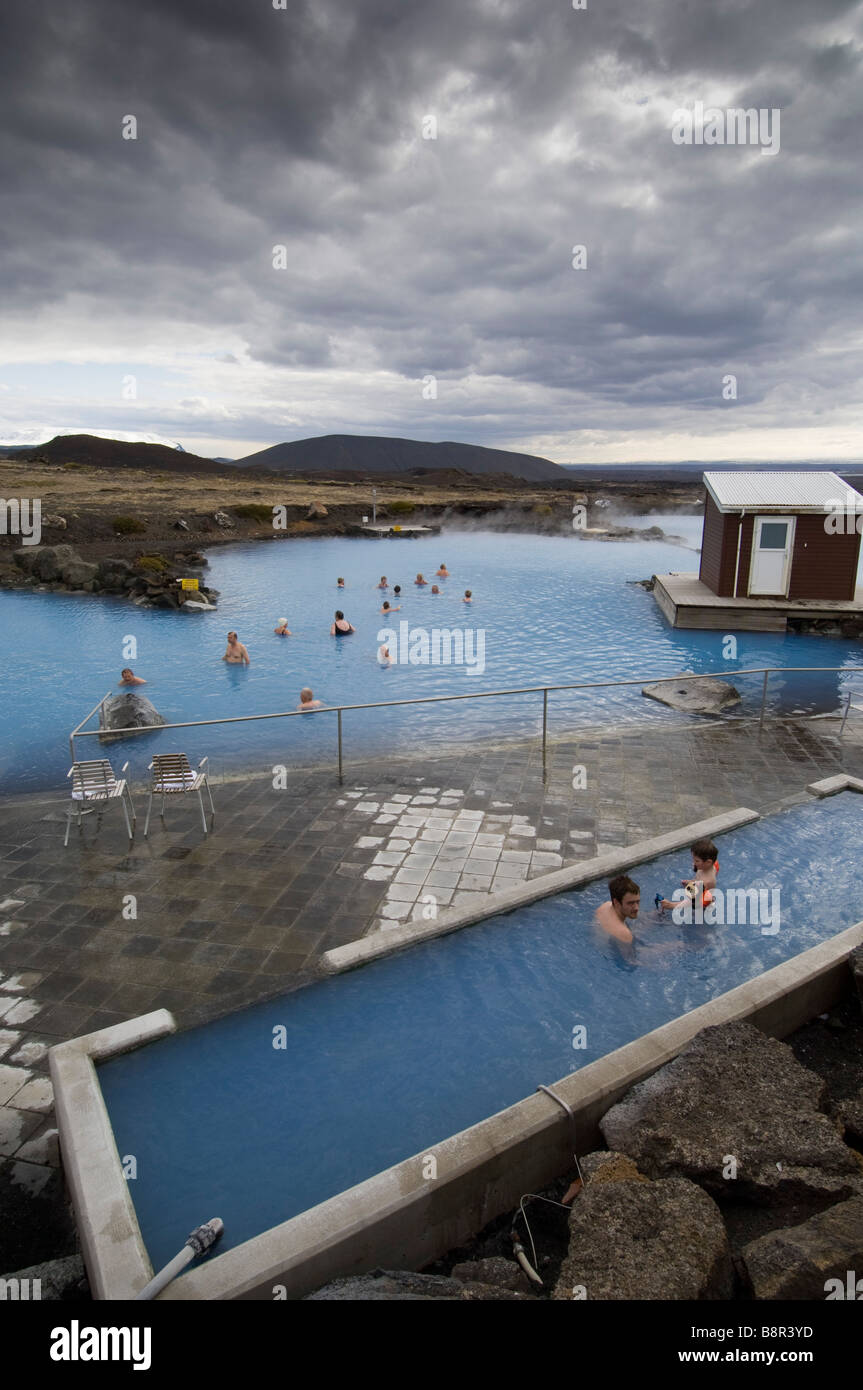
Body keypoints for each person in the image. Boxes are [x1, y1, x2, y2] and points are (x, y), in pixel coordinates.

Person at [658, 839, 718, 913]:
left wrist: (671, 905)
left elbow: (692, 902)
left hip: (702, 906)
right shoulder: (710, 866)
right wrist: (691, 882)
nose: (693, 863)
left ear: (708, 862)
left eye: (697, 861)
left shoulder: (707, 881)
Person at [595, 875, 640, 945]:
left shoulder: (604, 907)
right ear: (616, 902)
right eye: (630, 903)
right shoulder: (624, 933)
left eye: (638, 902)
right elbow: (631, 956)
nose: (636, 908)